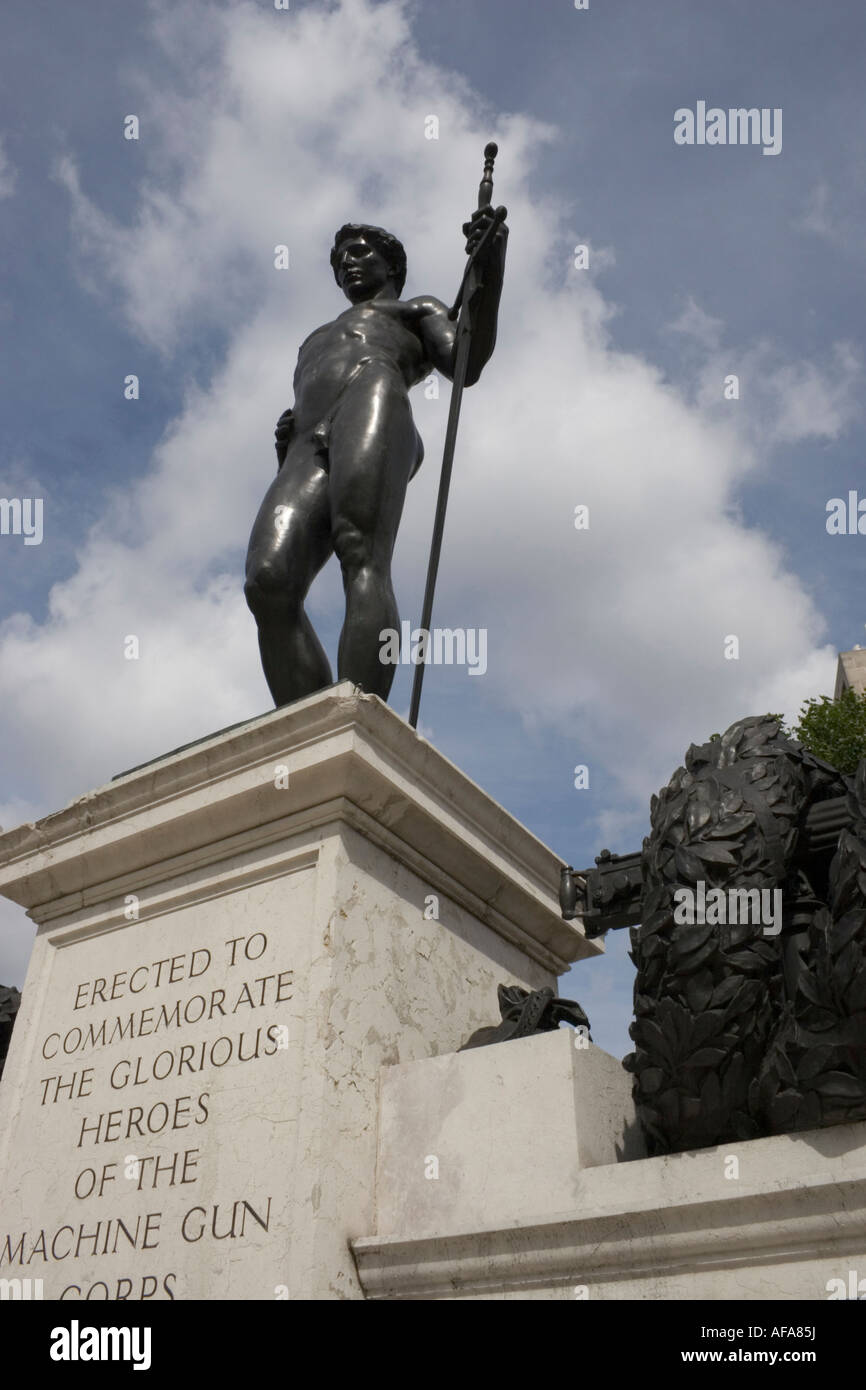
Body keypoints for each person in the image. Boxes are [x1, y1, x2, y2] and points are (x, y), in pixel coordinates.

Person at [244, 205, 507, 705]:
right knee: (268, 581)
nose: (348, 263)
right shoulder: (312, 340)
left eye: (360, 253)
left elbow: (465, 362)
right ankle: (309, 732)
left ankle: (358, 714)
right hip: (304, 443)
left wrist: (489, 268)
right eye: (340, 259)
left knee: (360, 552)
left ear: (392, 267)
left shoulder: (416, 311)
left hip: (374, 398)